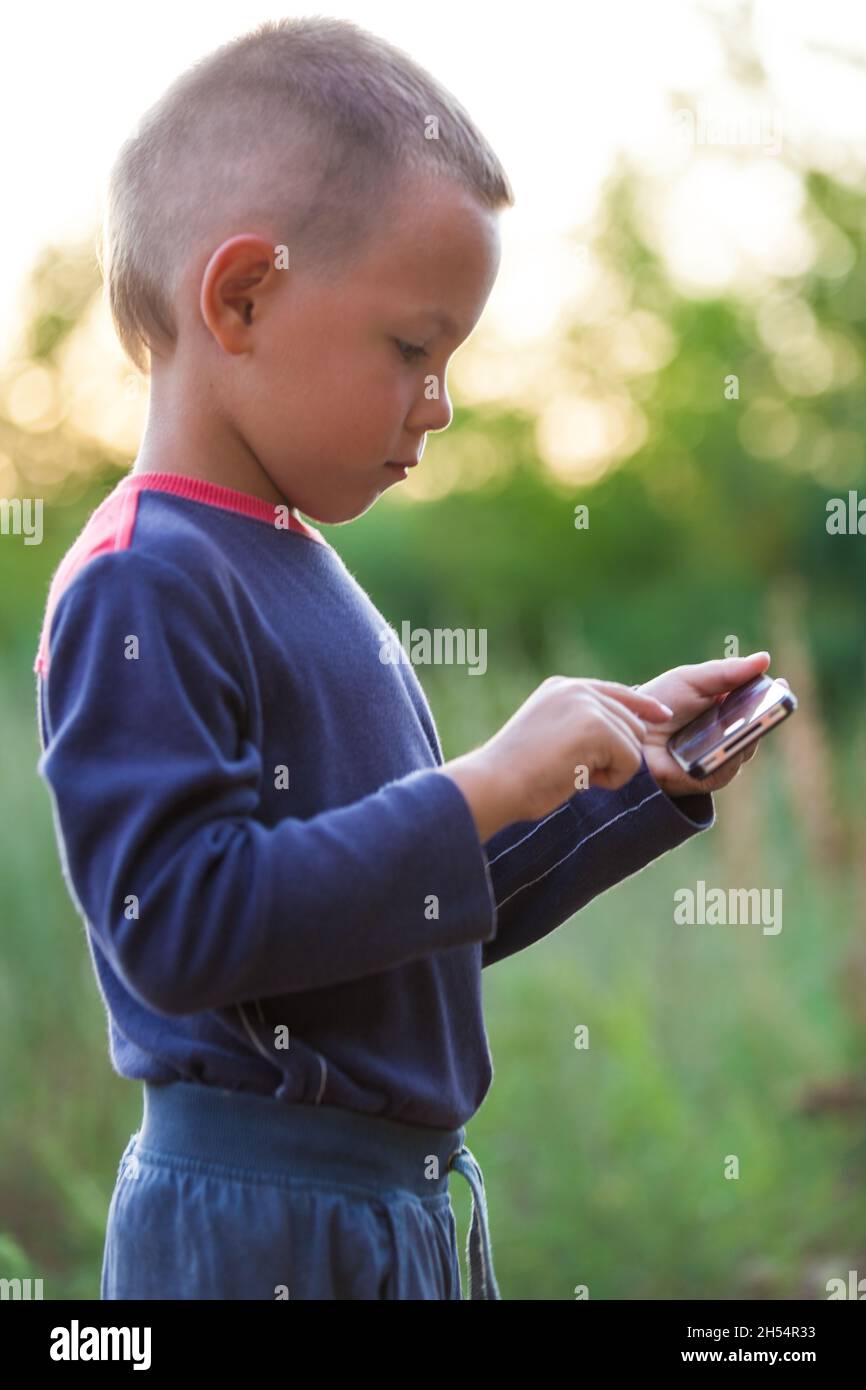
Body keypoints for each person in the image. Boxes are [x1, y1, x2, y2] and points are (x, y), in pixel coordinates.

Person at [34, 15, 764, 1300]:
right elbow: (178, 924)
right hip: (262, 1222)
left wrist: (622, 777)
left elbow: (400, 918)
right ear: (242, 297)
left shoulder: (300, 563)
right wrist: (481, 779)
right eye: (412, 349)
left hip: (393, 1212)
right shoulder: (143, 575)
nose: (439, 401)